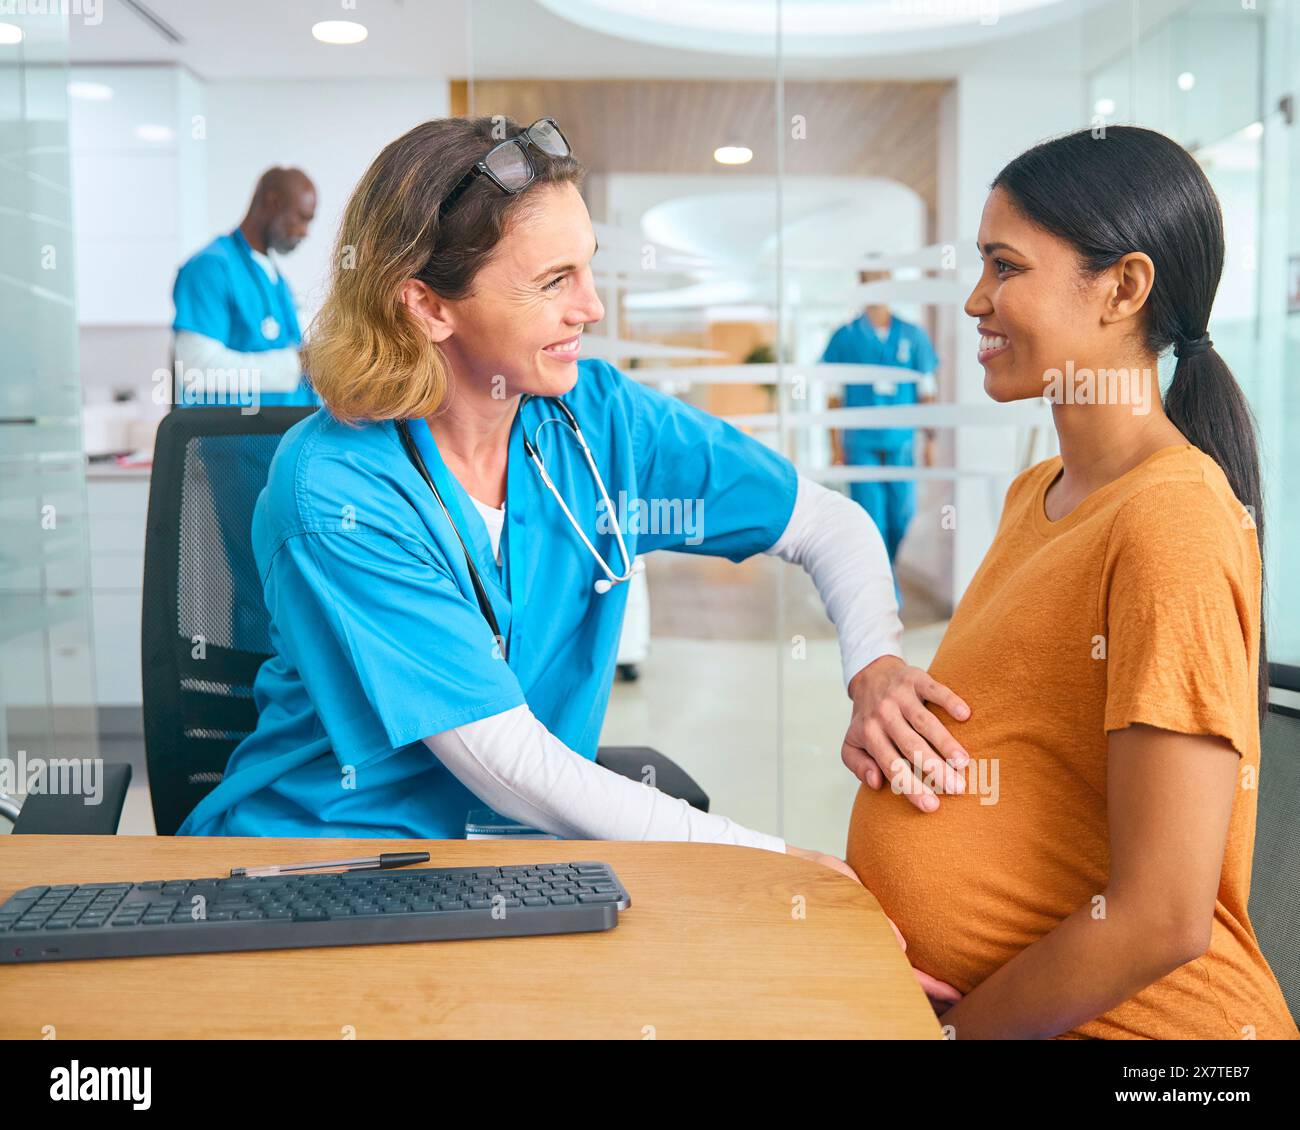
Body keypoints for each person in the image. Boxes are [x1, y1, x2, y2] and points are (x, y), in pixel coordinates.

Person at [846, 126, 1298, 1039]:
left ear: (1124, 287)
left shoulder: (1170, 520)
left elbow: (1161, 919)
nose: (976, 299)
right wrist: (893, 716)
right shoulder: (1035, 495)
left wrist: (954, 1040)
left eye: (1005, 267)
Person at [171, 167, 320, 408]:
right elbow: (196, 370)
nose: (305, 232)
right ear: (274, 203)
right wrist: (298, 363)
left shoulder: (274, 278)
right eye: (302, 218)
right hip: (231, 443)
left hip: (276, 438)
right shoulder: (211, 268)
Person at [821, 271, 939, 564]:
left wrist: (931, 440)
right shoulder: (844, 337)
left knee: (902, 518)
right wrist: (835, 447)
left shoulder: (912, 336)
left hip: (901, 441)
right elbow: (833, 398)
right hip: (860, 443)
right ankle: (884, 587)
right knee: (871, 520)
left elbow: (927, 392)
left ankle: (888, 572)